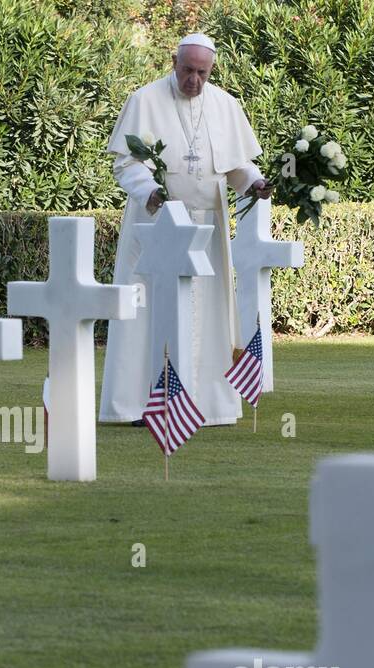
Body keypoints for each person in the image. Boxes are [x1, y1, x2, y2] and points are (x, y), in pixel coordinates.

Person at [100, 33, 273, 427]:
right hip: (156, 226)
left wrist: (256, 183)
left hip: (206, 230)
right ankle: (140, 403)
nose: (194, 80)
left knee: (206, 312)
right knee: (147, 309)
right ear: (173, 62)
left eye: (202, 73)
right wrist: (152, 191)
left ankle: (205, 403)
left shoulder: (226, 105)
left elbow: (236, 166)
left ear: (211, 71)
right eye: (187, 70)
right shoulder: (144, 100)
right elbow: (126, 165)